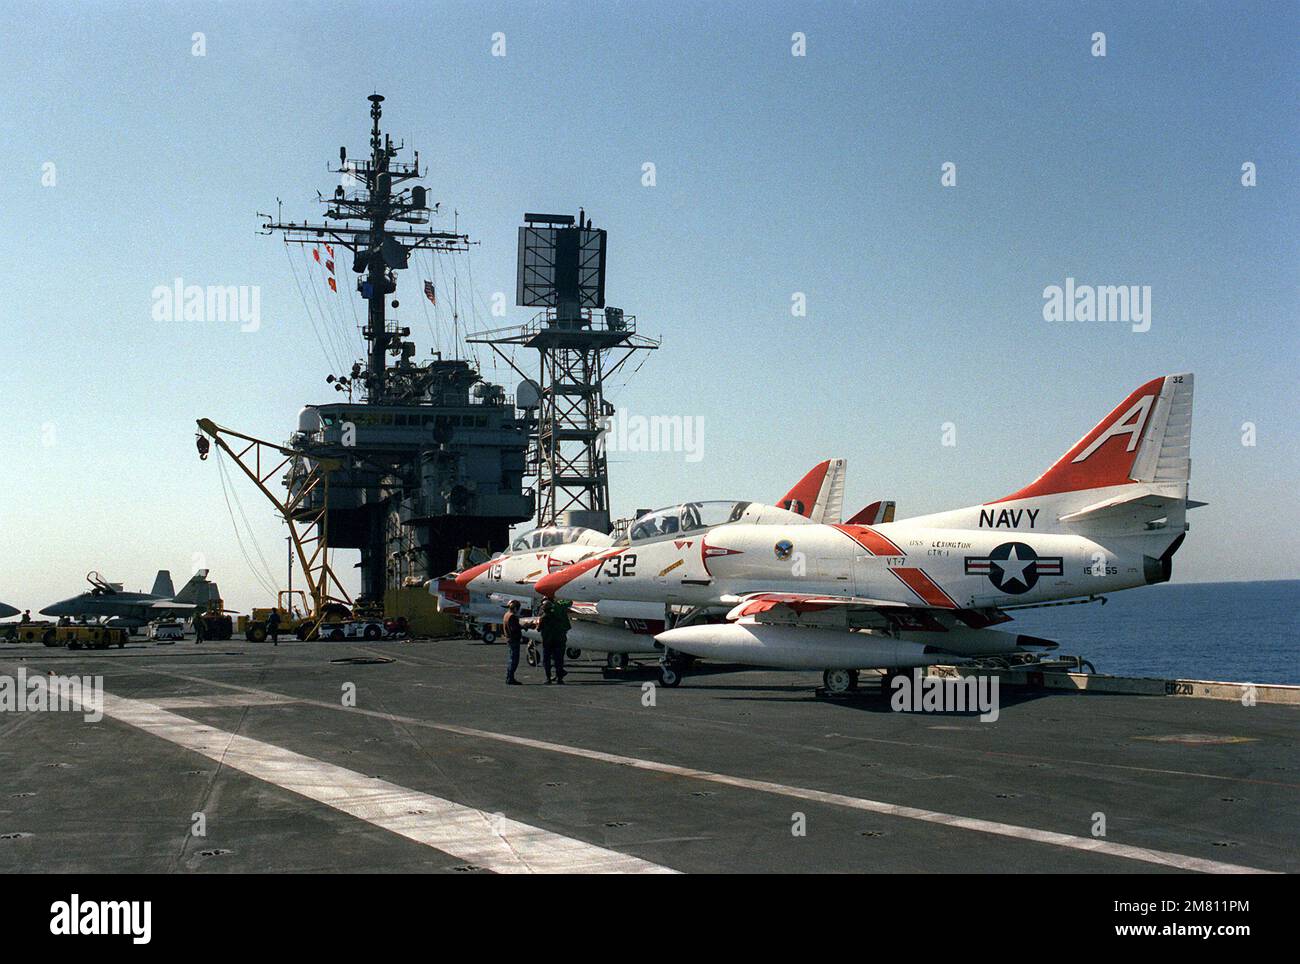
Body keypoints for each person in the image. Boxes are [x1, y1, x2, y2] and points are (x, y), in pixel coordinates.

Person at [538, 598, 572, 684]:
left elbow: (538, 628)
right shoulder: (559, 609)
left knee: (547, 660)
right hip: (559, 639)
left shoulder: (543, 616)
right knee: (559, 660)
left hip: (548, 641)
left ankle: (548, 678)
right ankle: (559, 678)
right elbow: (569, 602)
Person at [503, 600, 523, 685]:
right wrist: (522, 627)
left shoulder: (506, 615)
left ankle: (509, 677)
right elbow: (514, 629)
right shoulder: (512, 617)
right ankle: (510, 678)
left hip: (509, 639)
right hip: (514, 639)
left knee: (512, 658)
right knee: (514, 660)